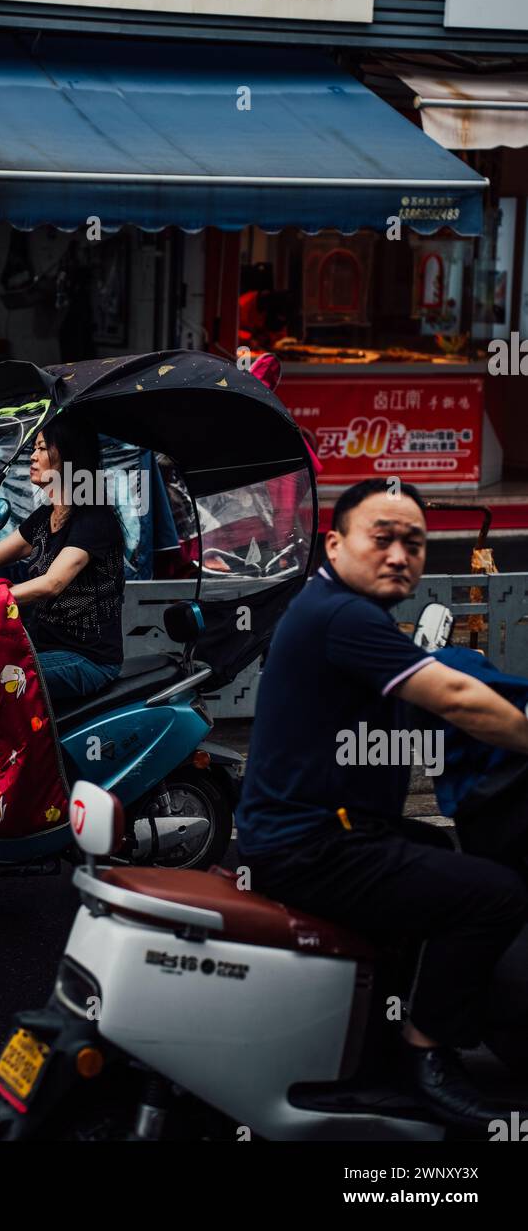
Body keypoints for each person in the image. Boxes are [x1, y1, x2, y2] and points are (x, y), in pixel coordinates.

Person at [235, 478, 528, 1129]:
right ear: (335, 544)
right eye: (384, 539)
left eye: (415, 544)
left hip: (304, 832)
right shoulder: (344, 617)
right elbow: (453, 696)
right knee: (496, 893)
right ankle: (428, 1058)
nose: (400, 555)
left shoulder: (330, 608)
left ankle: (379, 1048)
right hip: (312, 845)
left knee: (433, 853)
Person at [0, 416, 125, 704]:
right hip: (45, 649)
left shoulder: (93, 520)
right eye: (33, 448)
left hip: (87, 660)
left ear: (68, 456)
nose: (32, 456)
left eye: (42, 448)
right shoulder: (45, 517)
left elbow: (51, 584)